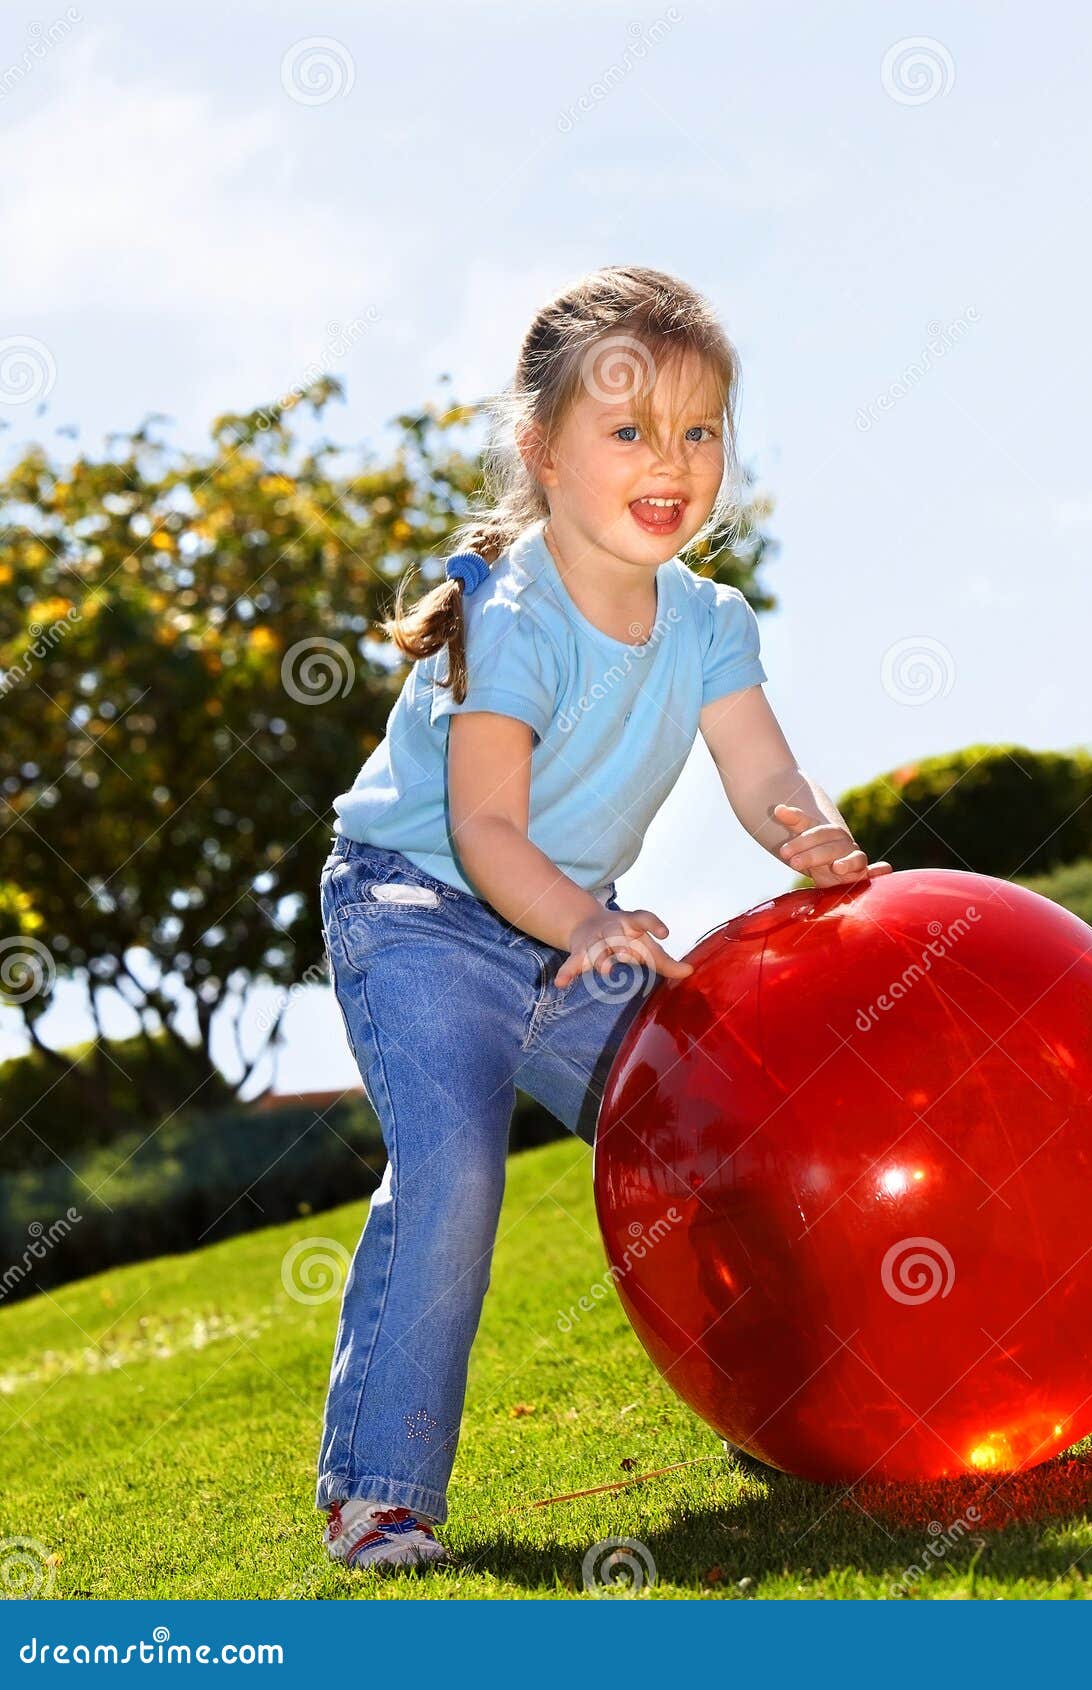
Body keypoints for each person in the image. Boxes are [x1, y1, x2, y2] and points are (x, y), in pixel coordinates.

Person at [315, 264, 890, 1570]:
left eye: (698, 431)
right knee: (452, 1171)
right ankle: (379, 1489)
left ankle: (779, 1403)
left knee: (717, 1136)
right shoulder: (511, 613)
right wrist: (582, 928)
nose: (671, 459)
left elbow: (762, 772)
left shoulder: (708, 620)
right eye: (628, 430)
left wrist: (820, 846)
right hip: (415, 915)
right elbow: (484, 830)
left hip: (580, 925)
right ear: (544, 452)